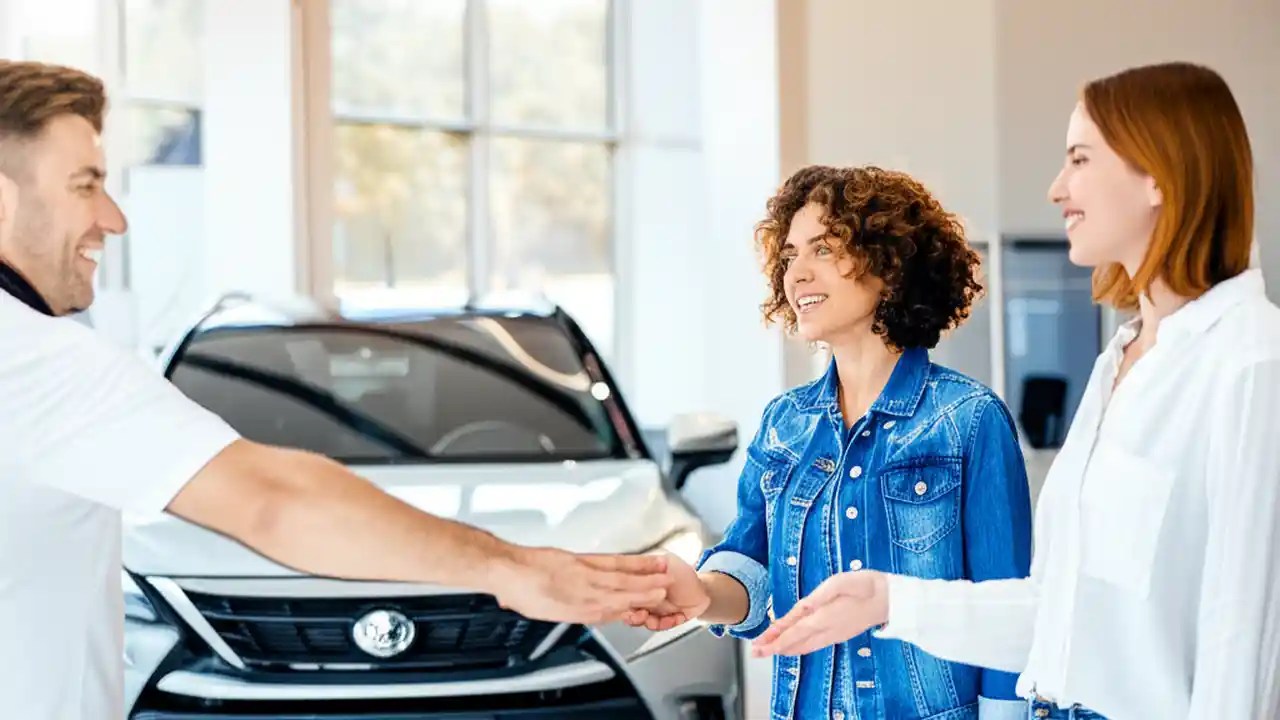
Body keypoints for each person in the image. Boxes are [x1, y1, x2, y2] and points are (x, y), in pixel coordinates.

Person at [0, 60, 671, 719]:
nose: (112, 219)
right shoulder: (35, 362)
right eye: (84, 185)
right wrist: (516, 570)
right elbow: (275, 501)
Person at [750, 61, 1280, 720]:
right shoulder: (1121, 361)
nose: (1058, 188)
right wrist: (888, 599)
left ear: (1158, 175)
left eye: (1080, 159)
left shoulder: (1250, 360)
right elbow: (1059, 614)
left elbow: (1243, 644)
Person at [627, 165, 1034, 719]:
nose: (797, 274)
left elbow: (1005, 613)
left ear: (889, 263)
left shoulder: (968, 420)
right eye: (790, 255)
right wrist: (699, 593)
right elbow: (751, 570)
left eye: (822, 248)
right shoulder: (783, 424)